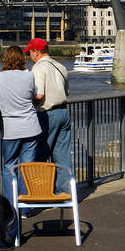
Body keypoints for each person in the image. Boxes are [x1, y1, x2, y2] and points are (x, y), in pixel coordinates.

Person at [0, 45, 41, 243]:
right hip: (32, 127)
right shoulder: (29, 76)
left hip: (11, 130)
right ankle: (26, 205)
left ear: (5, 59)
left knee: (9, 167)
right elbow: (33, 97)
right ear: (22, 60)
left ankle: (11, 206)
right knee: (26, 167)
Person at [27, 38, 73, 196]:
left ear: (36, 52)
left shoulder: (38, 68)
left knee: (40, 154)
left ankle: (41, 193)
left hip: (47, 114)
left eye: (30, 53)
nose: (29, 56)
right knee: (62, 156)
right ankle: (66, 194)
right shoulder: (60, 66)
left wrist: (24, 101)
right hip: (64, 113)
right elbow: (66, 92)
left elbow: (39, 95)